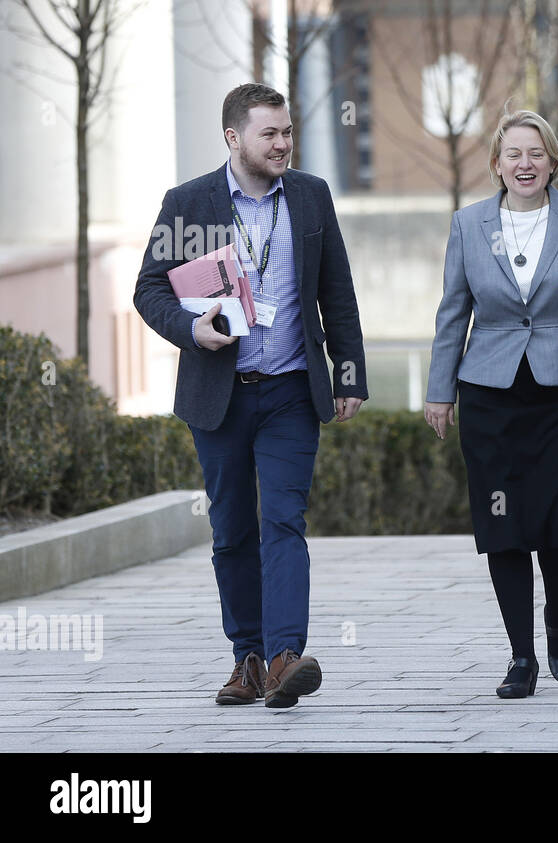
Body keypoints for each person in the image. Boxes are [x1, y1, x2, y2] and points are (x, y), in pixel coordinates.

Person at [134, 83, 367, 708]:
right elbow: (149, 290)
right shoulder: (188, 203)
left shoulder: (313, 198)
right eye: (270, 133)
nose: (284, 143)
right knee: (232, 532)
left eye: (287, 131)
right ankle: (249, 658)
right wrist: (190, 329)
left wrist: (349, 374)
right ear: (234, 138)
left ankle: (287, 655)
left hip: (292, 389)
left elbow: (336, 293)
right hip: (220, 396)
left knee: (283, 520)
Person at [424, 110, 558, 700]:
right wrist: (440, 388)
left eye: (536, 153)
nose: (525, 164)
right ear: (497, 164)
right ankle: (521, 655)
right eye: (514, 154)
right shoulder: (468, 223)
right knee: (502, 523)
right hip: (489, 392)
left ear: (553, 161)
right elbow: (453, 309)